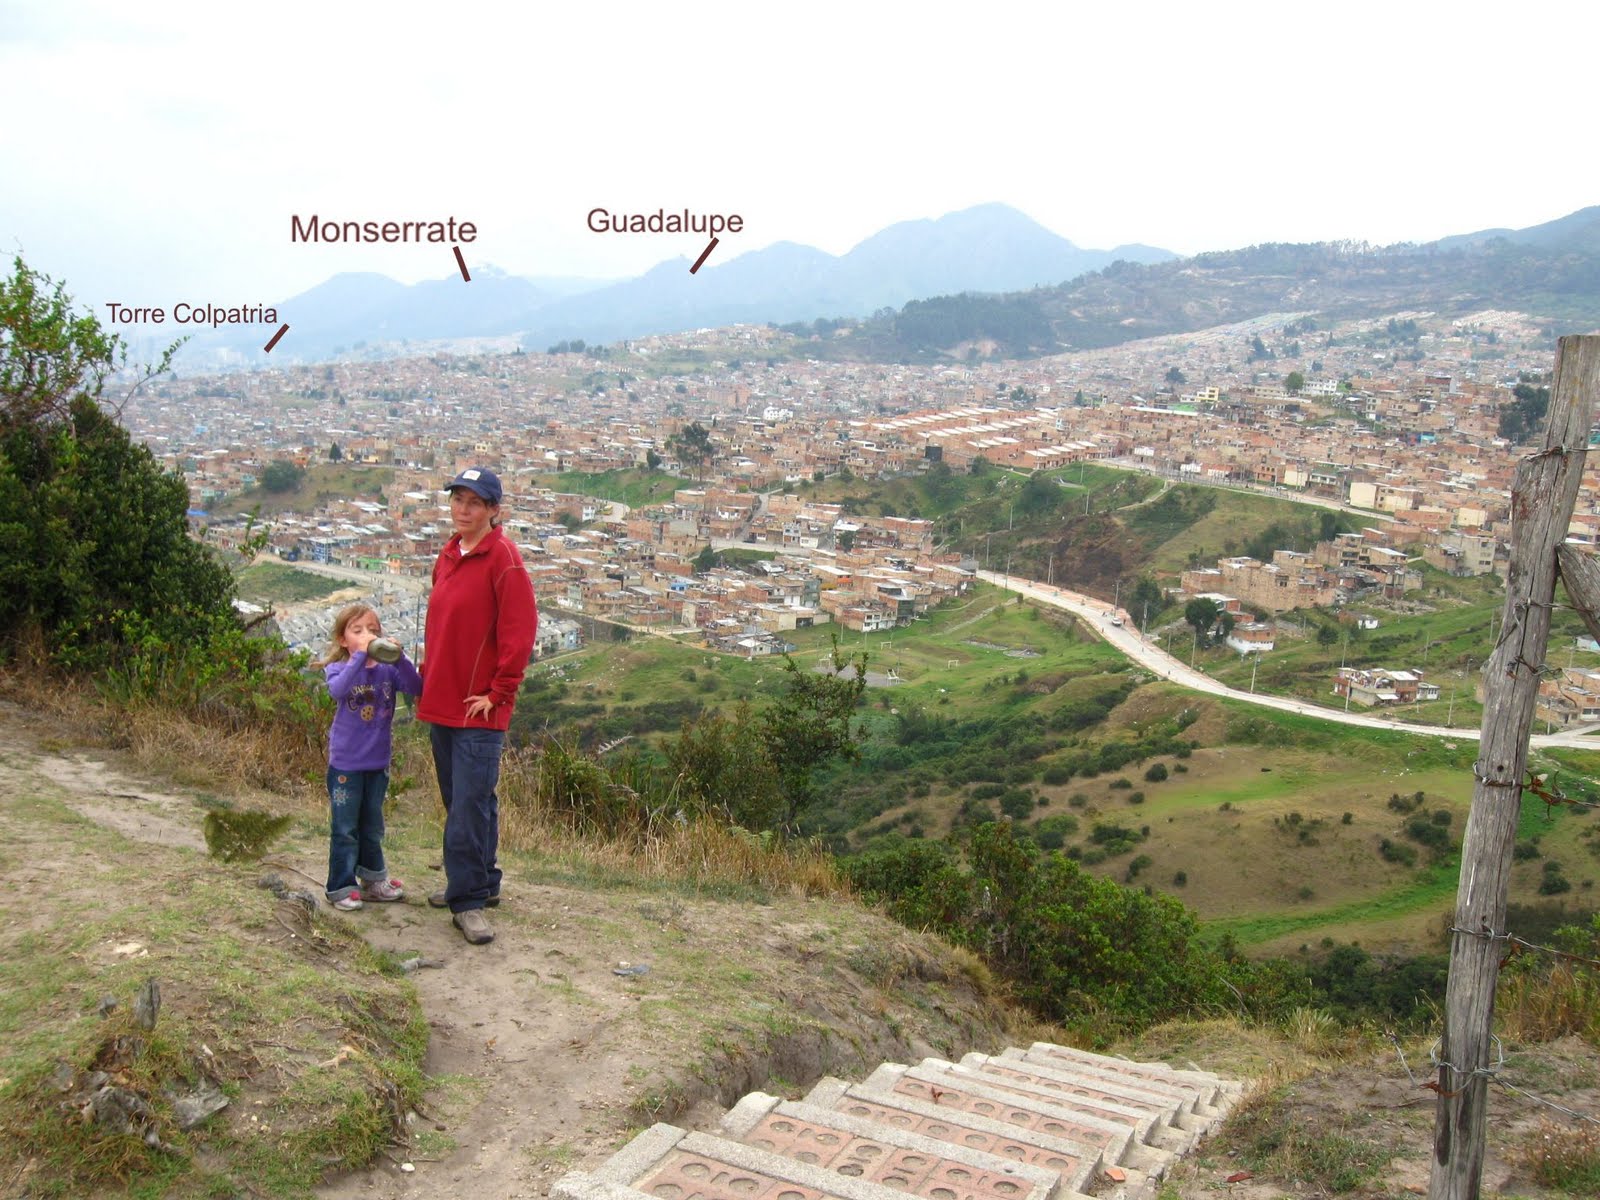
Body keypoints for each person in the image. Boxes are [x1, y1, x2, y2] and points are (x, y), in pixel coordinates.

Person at [417, 467, 537, 945]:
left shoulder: (503, 560)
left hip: (479, 710)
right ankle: (481, 882)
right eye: (457, 500)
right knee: (467, 800)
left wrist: (499, 692)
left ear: (493, 510)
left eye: (473, 503)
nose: (462, 510)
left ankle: (465, 901)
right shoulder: (449, 554)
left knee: (468, 804)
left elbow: (519, 633)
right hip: (442, 700)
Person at [318, 604, 421, 911]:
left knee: (372, 825)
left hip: (377, 763)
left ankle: (374, 880)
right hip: (346, 765)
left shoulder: (388, 670)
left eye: (374, 631)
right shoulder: (339, 668)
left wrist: (400, 658)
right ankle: (341, 886)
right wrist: (360, 656)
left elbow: (417, 687)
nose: (368, 636)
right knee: (345, 828)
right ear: (342, 639)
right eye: (358, 630)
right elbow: (337, 691)